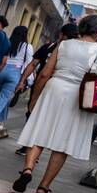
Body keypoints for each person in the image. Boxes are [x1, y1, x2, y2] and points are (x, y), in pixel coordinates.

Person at [13, 14, 97, 193]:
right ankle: (43, 188)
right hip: (80, 95)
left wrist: (34, 99)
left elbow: (44, 73)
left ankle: (27, 170)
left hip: (54, 89)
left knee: (39, 132)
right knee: (63, 144)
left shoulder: (64, 44)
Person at [14, 22, 80, 154]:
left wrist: (22, 81)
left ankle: (30, 147)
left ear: (62, 34)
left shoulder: (54, 48)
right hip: (56, 90)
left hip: (45, 87)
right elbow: (33, 64)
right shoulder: (71, 52)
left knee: (33, 115)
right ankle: (32, 148)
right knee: (42, 118)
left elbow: (34, 66)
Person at [0, 24, 33, 131]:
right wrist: (27, 81)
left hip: (0, 71)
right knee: (3, 98)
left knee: (1, 98)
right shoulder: (27, 47)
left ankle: (0, 122)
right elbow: (29, 64)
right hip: (14, 74)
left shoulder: (7, 42)